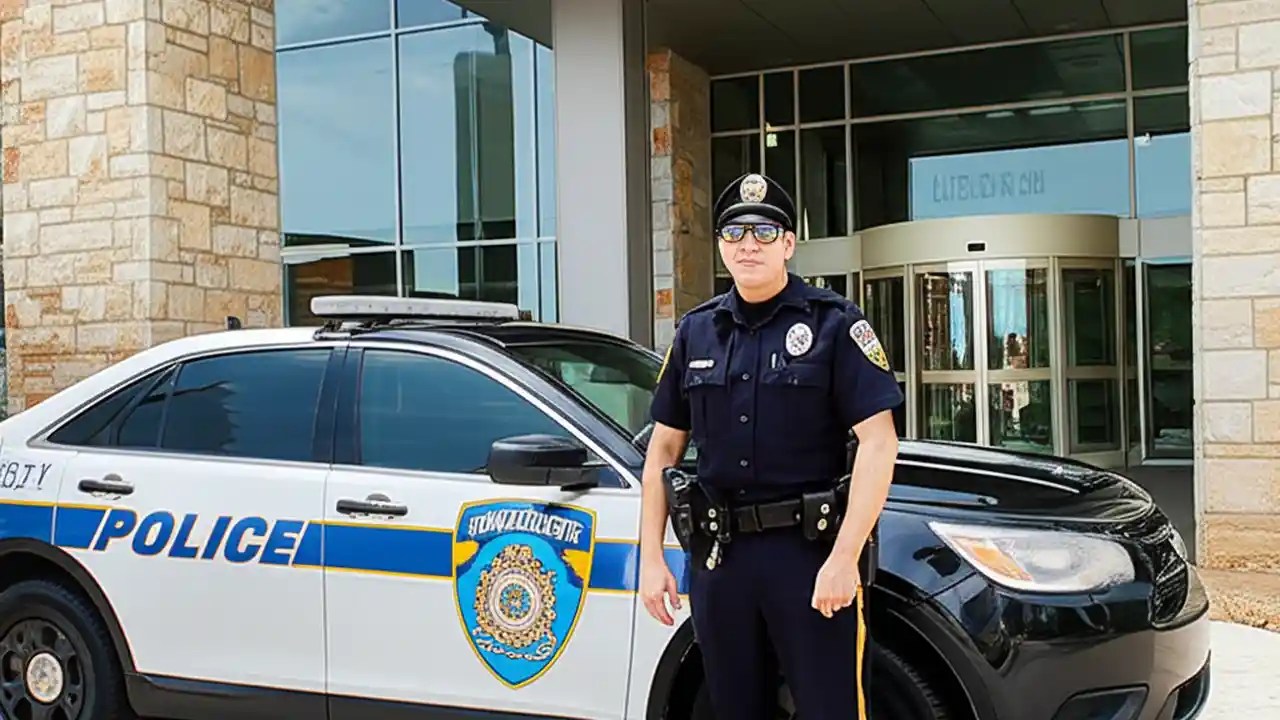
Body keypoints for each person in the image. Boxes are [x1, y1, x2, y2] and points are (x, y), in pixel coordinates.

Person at [638, 172, 904, 719]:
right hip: (721, 560)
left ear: (788, 243)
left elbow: (879, 444)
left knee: (831, 707)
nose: (748, 245)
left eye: (763, 231)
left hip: (808, 557)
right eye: (735, 233)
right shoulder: (696, 333)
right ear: (720, 247)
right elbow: (663, 451)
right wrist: (651, 559)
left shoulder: (835, 324)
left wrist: (844, 557)